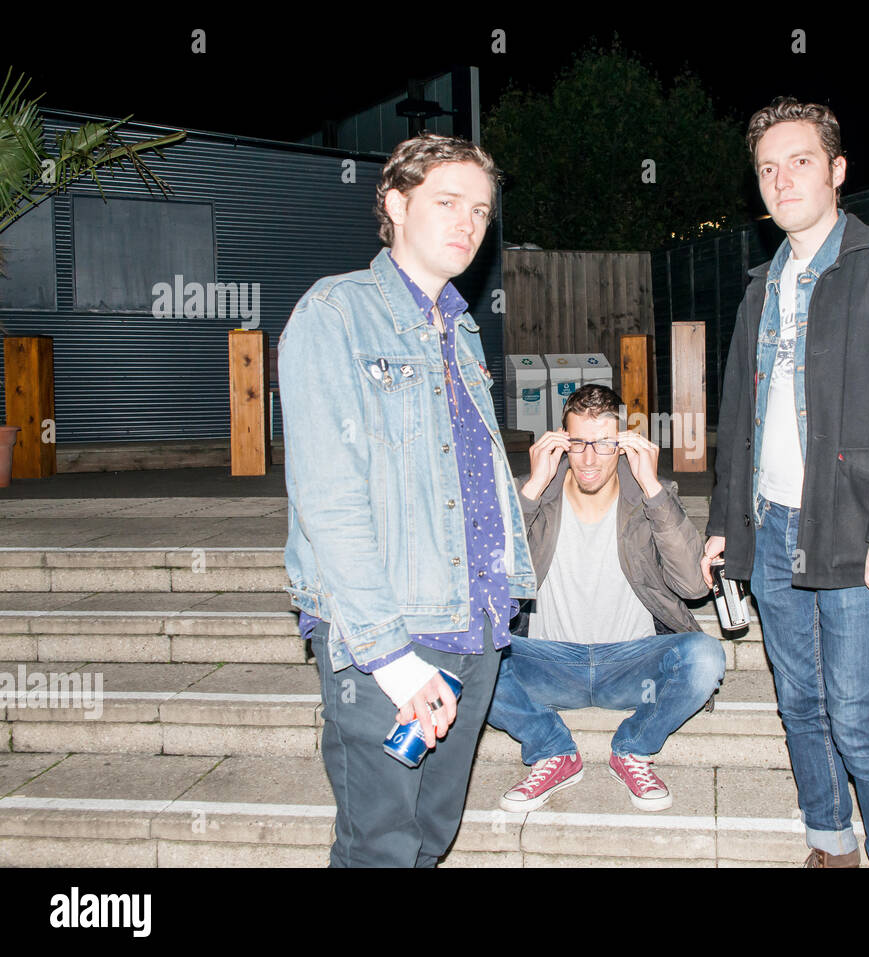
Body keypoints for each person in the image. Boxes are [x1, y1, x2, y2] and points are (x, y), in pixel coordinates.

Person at [703, 98, 869, 867]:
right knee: (801, 704)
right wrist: (726, 521)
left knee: (858, 715)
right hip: (773, 522)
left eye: (800, 161)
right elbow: (738, 417)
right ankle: (829, 844)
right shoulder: (760, 286)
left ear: (838, 171)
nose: (783, 180)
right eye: (768, 169)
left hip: (855, 526)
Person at [277, 132, 536, 867]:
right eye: (447, 202)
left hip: (476, 621)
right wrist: (389, 657)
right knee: (380, 845)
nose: (468, 222)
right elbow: (329, 503)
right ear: (394, 203)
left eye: (481, 210)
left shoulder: (460, 330)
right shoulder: (336, 314)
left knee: (429, 836)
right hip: (390, 633)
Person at [486, 384, 726, 812]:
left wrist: (652, 487)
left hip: (630, 665)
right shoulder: (530, 491)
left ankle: (632, 748)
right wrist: (531, 491)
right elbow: (489, 576)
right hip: (548, 664)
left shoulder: (652, 495)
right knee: (464, 653)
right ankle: (552, 749)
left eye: (603, 444)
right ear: (560, 441)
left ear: (624, 444)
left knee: (705, 657)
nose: (590, 459)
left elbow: (693, 586)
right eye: (577, 443)